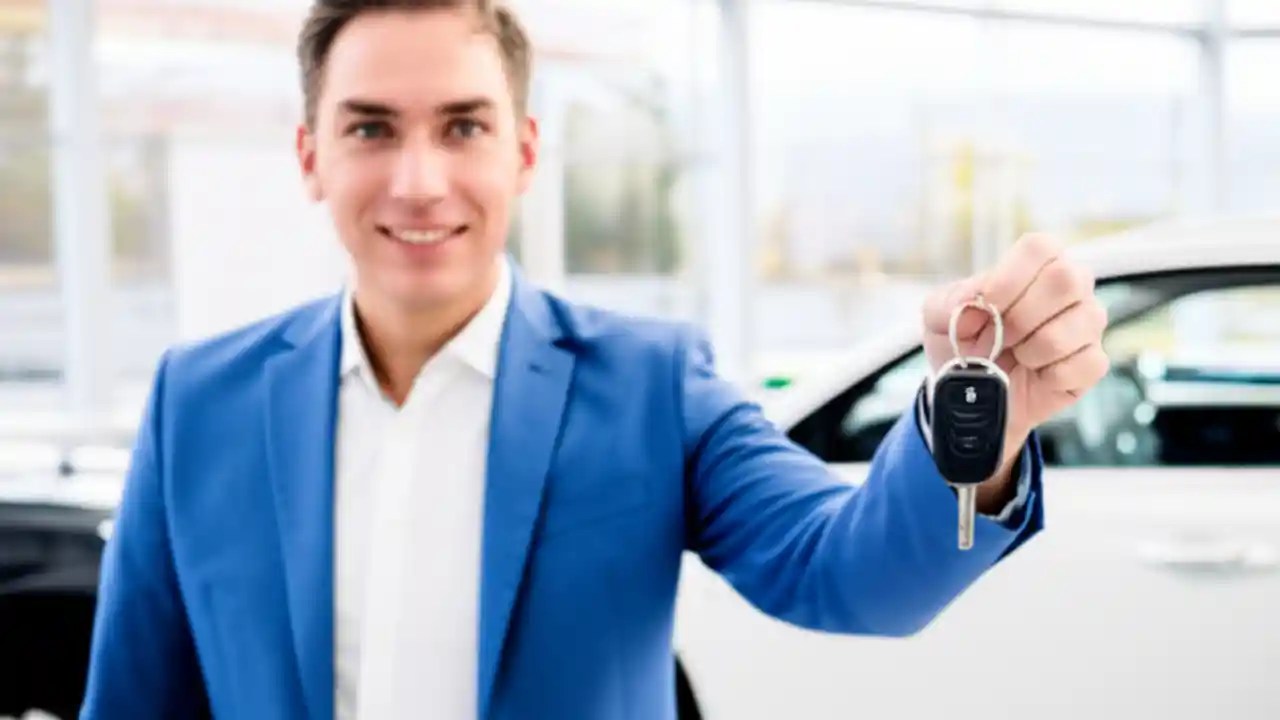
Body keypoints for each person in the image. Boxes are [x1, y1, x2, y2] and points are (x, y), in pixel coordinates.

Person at [79, 1, 1110, 718]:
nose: (419, 180)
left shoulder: (652, 388)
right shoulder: (198, 406)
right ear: (311, 155)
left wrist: (977, 430)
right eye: (371, 129)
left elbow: (853, 577)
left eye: (462, 126)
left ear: (524, 152)